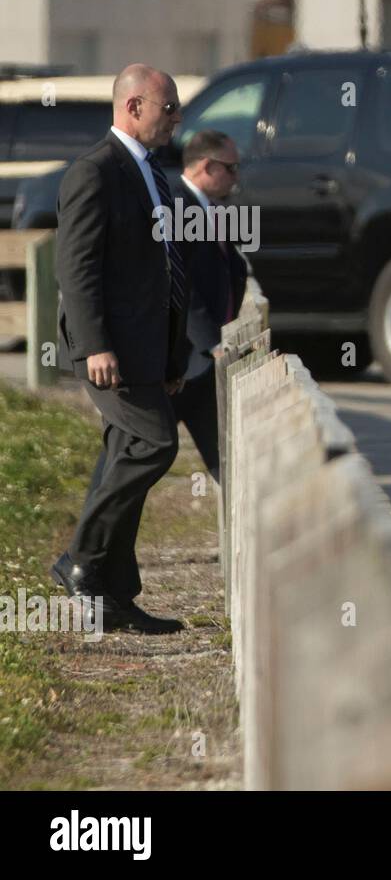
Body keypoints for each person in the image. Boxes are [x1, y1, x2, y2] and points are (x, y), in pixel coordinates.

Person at [50, 63, 190, 635]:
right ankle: (79, 558)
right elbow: (76, 269)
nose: (177, 118)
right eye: (169, 107)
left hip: (148, 350)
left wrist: (173, 357)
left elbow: (164, 272)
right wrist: (94, 346)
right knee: (156, 444)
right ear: (134, 108)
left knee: (124, 453)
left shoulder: (154, 174)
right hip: (109, 351)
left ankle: (113, 595)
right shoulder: (95, 172)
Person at [171, 129, 249, 485]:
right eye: (231, 169)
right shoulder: (177, 205)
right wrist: (211, 342)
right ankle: (90, 542)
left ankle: (259, 538)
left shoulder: (215, 209)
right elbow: (179, 285)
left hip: (204, 365)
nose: (236, 177)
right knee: (136, 457)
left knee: (229, 462)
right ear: (206, 166)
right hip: (178, 363)